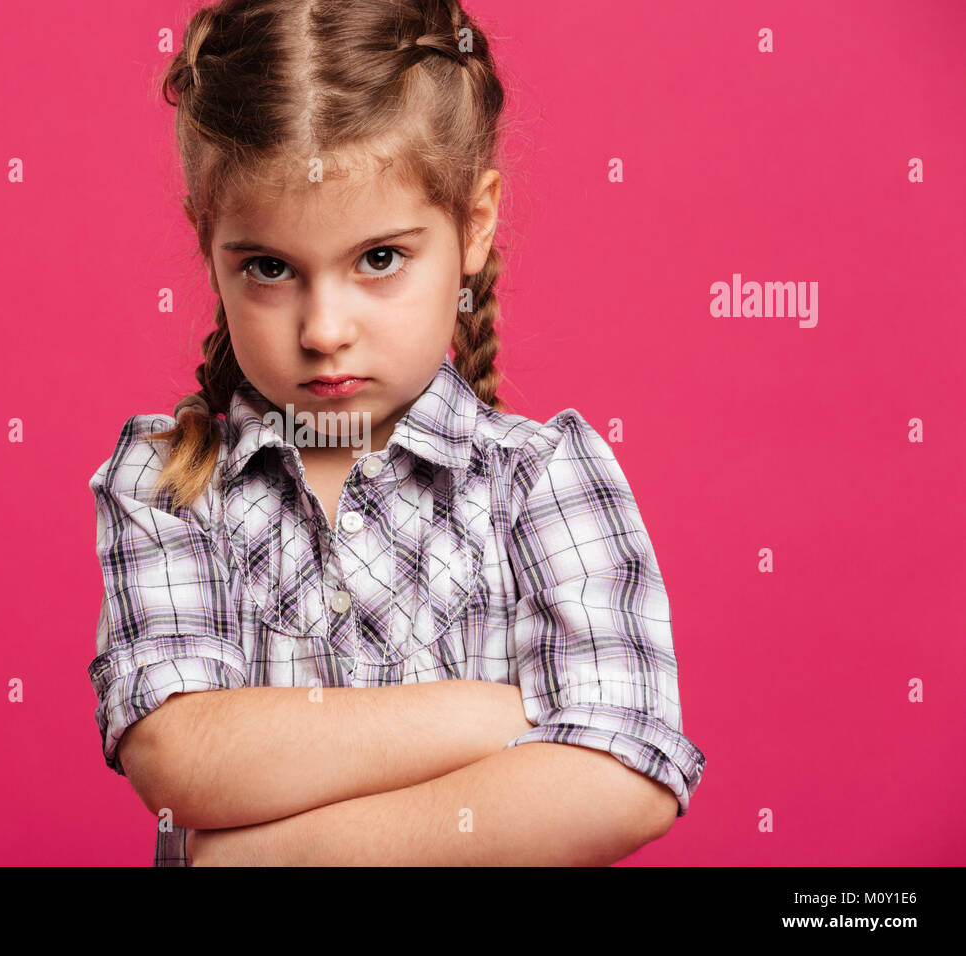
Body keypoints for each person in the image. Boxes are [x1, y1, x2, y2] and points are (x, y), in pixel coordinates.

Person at [86, 0, 706, 866]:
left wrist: (264, 858)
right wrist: (487, 713)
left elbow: (622, 778)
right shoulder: (168, 482)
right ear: (208, 240)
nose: (324, 328)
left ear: (475, 224)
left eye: (379, 258)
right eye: (270, 267)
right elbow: (179, 755)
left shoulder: (543, 480)